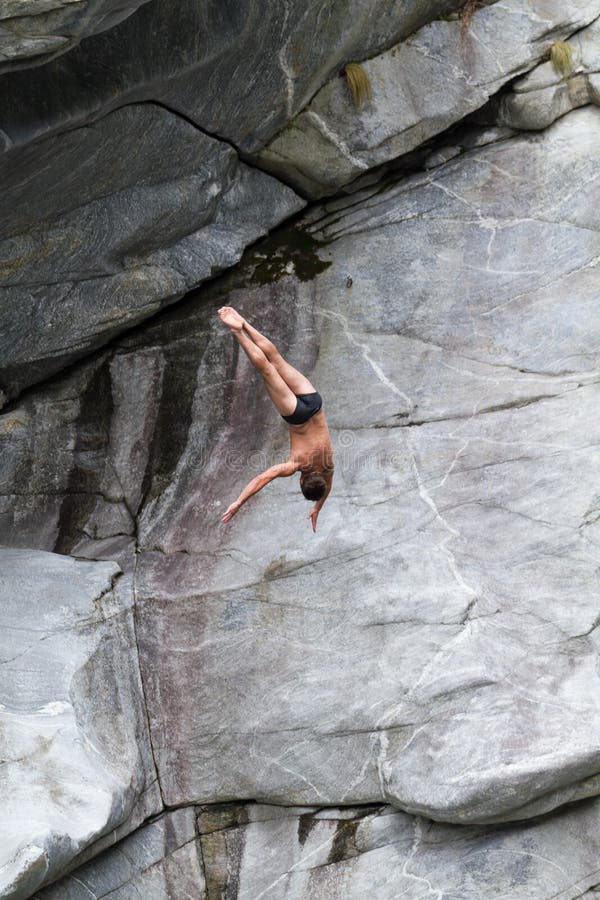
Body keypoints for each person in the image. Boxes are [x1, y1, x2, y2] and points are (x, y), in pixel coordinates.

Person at [218, 306, 333, 532]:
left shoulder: (328, 466)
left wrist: (319, 506)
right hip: (297, 415)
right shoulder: (296, 465)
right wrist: (239, 502)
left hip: (314, 403)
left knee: (276, 359)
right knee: (267, 370)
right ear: (301, 481)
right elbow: (262, 478)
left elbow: (327, 487)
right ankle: (238, 332)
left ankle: (243, 321)